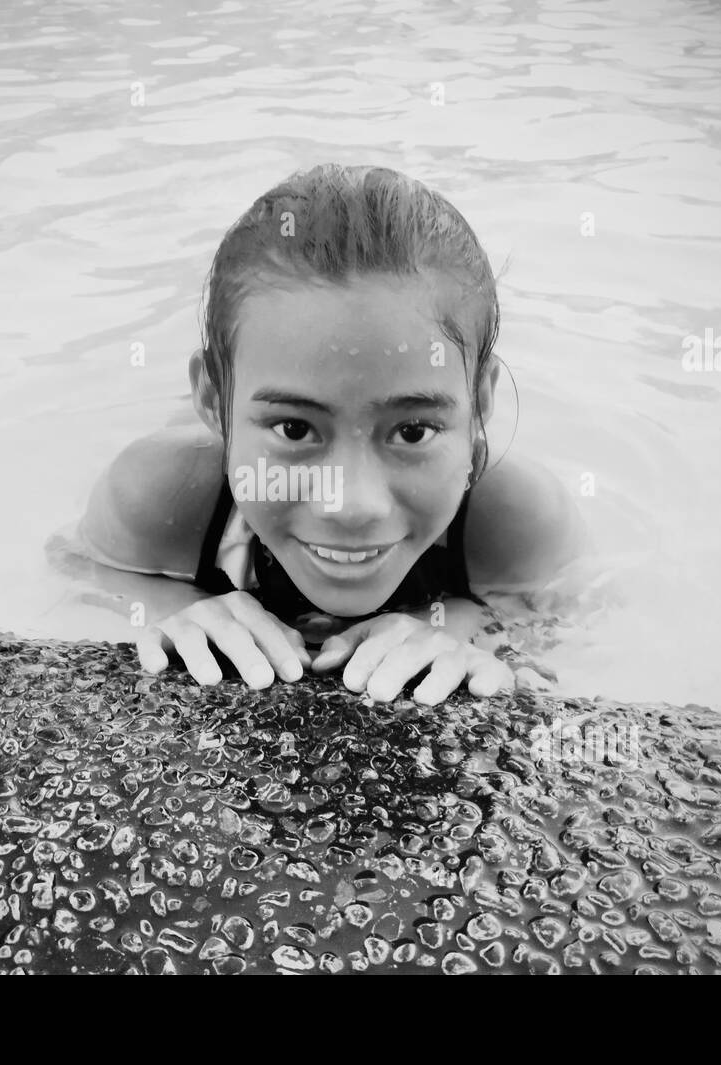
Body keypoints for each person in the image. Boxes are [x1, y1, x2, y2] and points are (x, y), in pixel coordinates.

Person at [70, 163, 584, 704]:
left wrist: (459, 630)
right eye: (295, 429)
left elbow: (566, 628)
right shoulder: (156, 495)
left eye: (412, 432)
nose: (352, 505)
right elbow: (84, 575)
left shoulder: (519, 519)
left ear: (480, 402)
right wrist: (178, 613)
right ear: (212, 400)